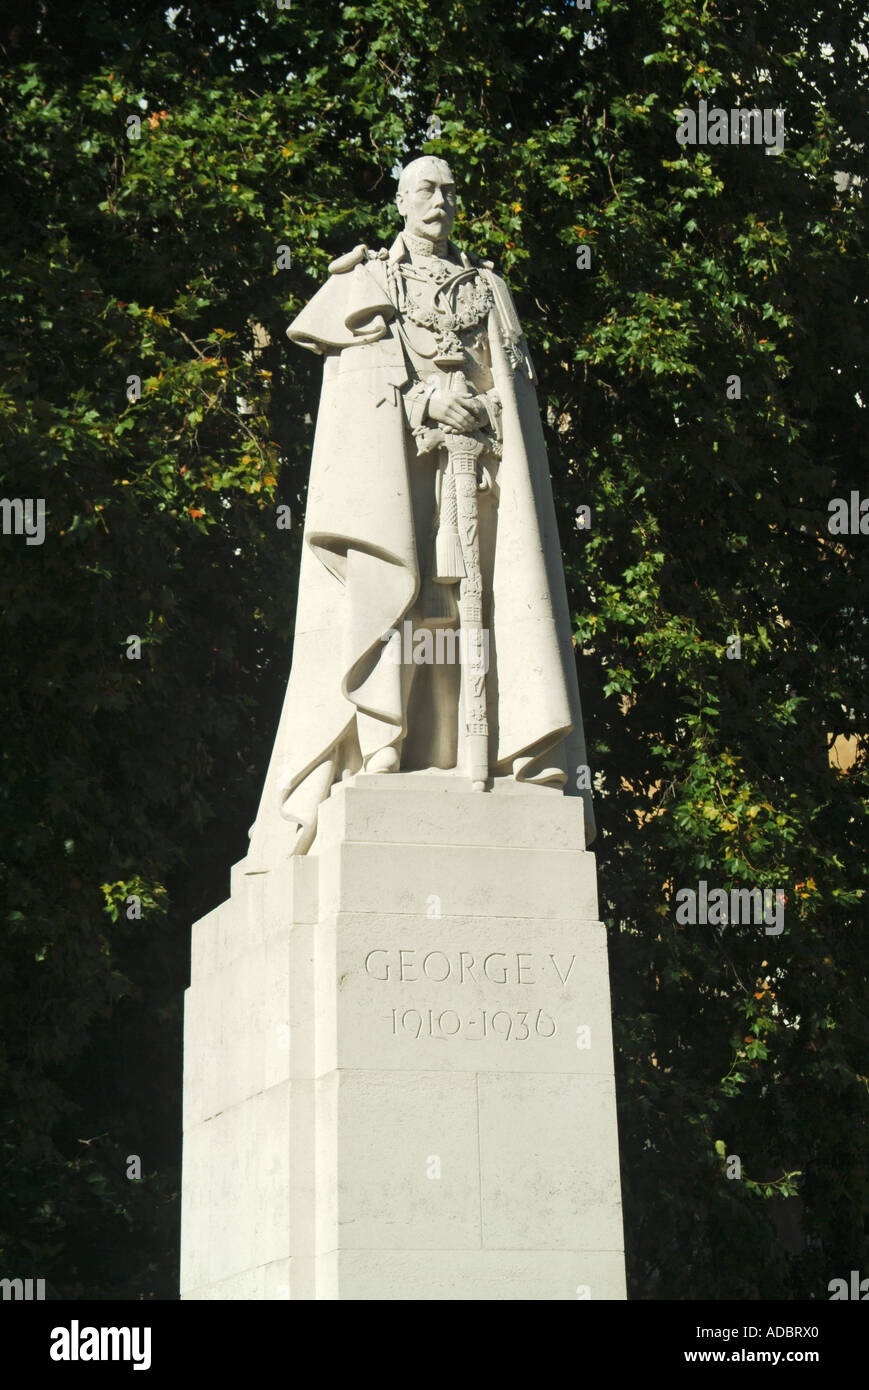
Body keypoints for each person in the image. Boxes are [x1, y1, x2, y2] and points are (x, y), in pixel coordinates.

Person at [246, 155, 594, 861]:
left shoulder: (489, 289)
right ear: (402, 201)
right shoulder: (366, 281)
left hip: (478, 471)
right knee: (394, 595)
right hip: (397, 470)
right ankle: (383, 743)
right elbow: (357, 395)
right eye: (426, 189)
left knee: (465, 604)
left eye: (451, 189)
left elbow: (515, 394)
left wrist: (484, 409)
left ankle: (472, 747)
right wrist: (424, 402)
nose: (441, 199)